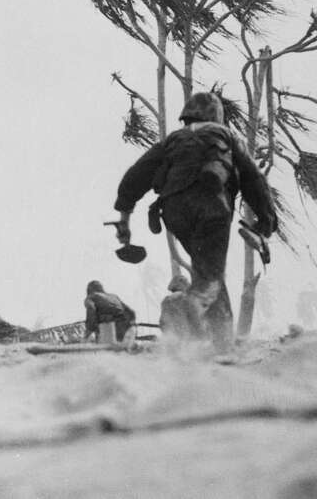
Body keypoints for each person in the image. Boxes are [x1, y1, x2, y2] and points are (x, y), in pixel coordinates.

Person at [111, 92, 277, 350]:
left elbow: (135, 177)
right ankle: (192, 302)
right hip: (212, 206)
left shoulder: (172, 141)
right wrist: (266, 222)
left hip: (173, 211)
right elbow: (254, 179)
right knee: (209, 279)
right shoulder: (226, 135)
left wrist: (124, 221)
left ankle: (222, 343)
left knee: (208, 272)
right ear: (217, 116)